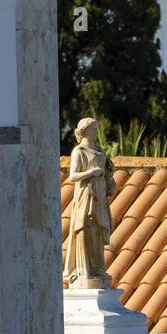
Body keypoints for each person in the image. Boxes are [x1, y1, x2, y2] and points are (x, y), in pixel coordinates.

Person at [64, 117, 115, 288]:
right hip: (85, 195)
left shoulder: (100, 151)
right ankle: (84, 268)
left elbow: (106, 174)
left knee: (97, 230)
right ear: (85, 131)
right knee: (84, 229)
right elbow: (73, 176)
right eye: (93, 129)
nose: (96, 132)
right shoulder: (79, 152)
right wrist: (92, 172)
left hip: (99, 196)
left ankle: (98, 268)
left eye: (96, 129)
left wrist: (109, 179)